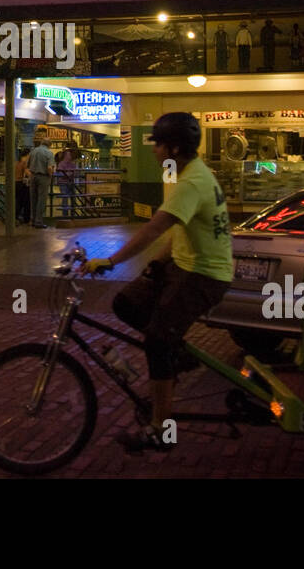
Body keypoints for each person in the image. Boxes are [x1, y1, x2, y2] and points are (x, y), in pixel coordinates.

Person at [81, 113, 233, 452]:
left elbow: (155, 228)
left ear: (174, 148)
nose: (154, 151)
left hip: (205, 275)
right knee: (126, 303)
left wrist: (110, 260)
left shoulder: (192, 182)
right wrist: (155, 264)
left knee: (157, 341)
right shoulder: (190, 175)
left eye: (158, 144)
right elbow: (179, 231)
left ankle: (159, 429)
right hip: (184, 265)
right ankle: (175, 357)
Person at [27, 137, 55, 229]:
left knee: (33, 199)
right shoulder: (49, 153)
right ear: (49, 145)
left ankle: (32, 220)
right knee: (41, 200)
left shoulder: (33, 151)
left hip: (33, 176)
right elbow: (49, 168)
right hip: (43, 177)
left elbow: (28, 165)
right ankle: (39, 221)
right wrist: (51, 176)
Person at [55, 146, 80, 218]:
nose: (70, 157)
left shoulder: (72, 164)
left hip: (70, 183)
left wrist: (69, 174)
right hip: (63, 183)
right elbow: (60, 174)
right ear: (65, 156)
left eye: (70, 155)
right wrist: (68, 174)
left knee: (73, 198)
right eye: (69, 155)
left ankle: (72, 214)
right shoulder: (61, 164)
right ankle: (65, 215)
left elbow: (76, 173)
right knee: (65, 198)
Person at [14, 147, 31, 224]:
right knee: (25, 202)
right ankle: (26, 219)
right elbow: (28, 173)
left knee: (17, 201)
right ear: (27, 155)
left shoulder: (16, 163)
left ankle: (15, 217)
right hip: (21, 184)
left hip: (15, 183)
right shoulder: (25, 163)